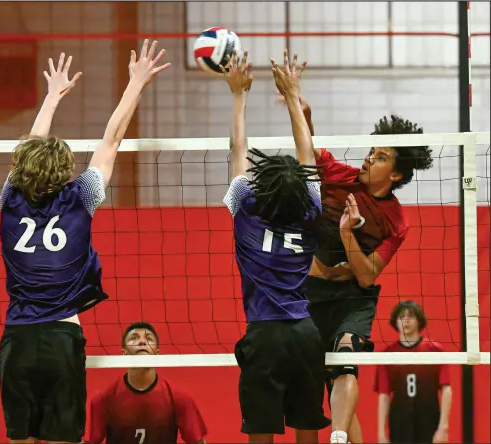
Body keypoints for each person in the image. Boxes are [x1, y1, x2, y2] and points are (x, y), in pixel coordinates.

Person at [0, 41, 170, 444]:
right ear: (65, 170)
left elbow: (26, 152)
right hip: (61, 337)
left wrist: (51, 99)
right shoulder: (81, 198)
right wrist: (136, 84)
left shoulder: (10, 198)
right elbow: (110, 141)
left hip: (18, 337)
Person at [278, 94, 434, 443]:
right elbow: (307, 151)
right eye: (371, 152)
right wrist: (302, 112)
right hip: (311, 293)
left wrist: (348, 233)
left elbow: (366, 276)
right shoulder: (340, 175)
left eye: (379, 158)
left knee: (345, 357)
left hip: (353, 298)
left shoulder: (396, 221)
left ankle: (337, 439)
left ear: (395, 174)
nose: (368, 159)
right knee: (313, 386)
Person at [222, 49, 330, 444]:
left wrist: (238, 96)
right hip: (304, 332)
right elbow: (309, 157)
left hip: (264, 334)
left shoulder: (246, 209)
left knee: (262, 431)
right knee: (307, 427)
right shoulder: (309, 209)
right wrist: (294, 94)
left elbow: (239, 152)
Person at [88, 322, 208, 444]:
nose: (142, 342)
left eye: (149, 339)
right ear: (124, 352)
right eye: (134, 338)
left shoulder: (179, 398)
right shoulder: (104, 399)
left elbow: (198, 441)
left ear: (157, 352)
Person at [375, 301, 452, 444]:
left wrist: (443, 427)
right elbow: (384, 395)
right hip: (400, 419)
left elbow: (447, 389)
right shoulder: (388, 354)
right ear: (395, 322)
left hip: (429, 416)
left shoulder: (434, 350)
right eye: (401, 316)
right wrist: (380, 433)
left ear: (419, 320)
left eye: (410, 316)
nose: (406, 320)